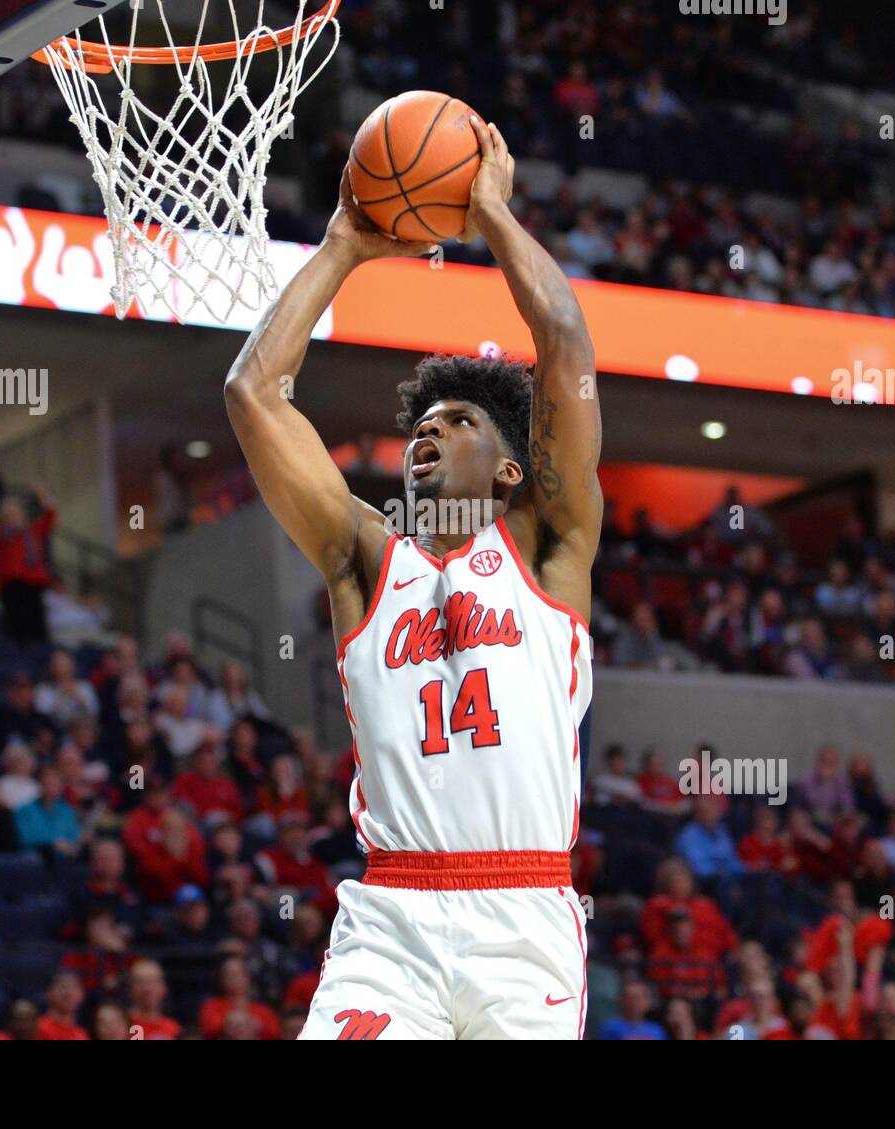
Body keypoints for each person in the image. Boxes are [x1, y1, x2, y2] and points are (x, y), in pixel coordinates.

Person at [226, 119, 600, 1040]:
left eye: (460, 420)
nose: (427, 432)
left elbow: (561, 339)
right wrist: (344, 244)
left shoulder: (548, 543)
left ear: (514, 469)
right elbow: (251, 394)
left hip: (524, 914)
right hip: (390, 920)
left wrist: (493, 214)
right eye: (421, 423)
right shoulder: (364, 555)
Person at [0, 468, 56, 642]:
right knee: (19, 633)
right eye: (7, 515)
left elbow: (51, 513)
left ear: (23, 515)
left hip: (34, 587)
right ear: (2, 518)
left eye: (15, 513)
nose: (12, 517)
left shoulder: (34, 531)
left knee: (39, 632)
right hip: (12, 589)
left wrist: (41, 492)